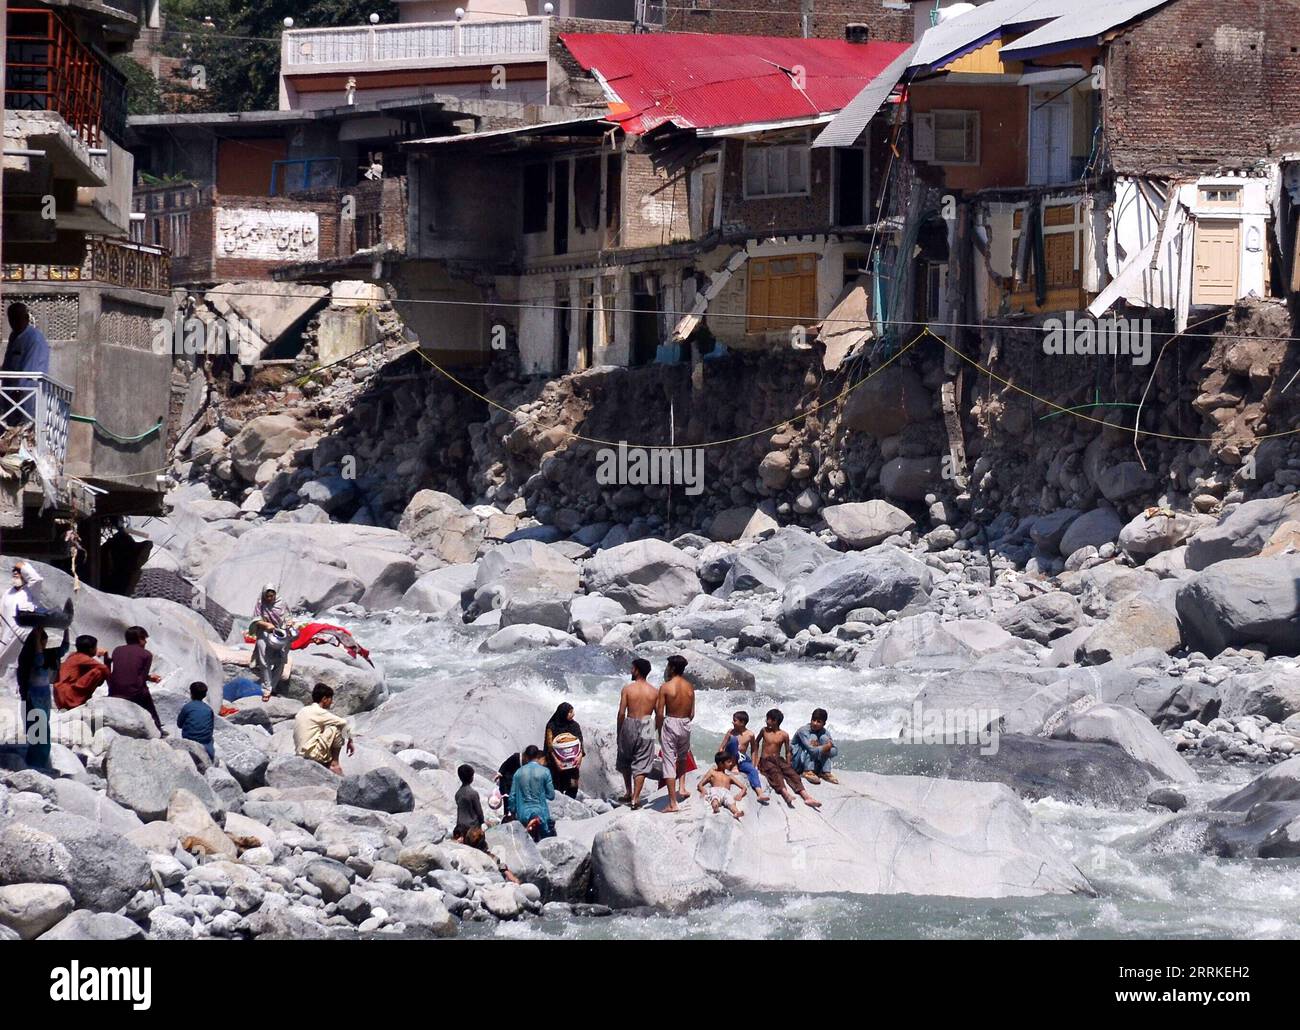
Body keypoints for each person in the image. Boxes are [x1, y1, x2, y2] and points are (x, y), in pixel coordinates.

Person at [17, 625, 68, 770]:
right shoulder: (29, 658)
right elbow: (38, 660)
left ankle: (39, 762)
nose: (44, 645)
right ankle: (35, 764)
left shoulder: (47, 656)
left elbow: (64, 648)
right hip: (34, 697)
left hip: (44, 698)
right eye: (42, 642)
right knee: (38, 731)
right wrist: (37, 636)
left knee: (43, 730)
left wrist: (66, 629)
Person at [755, 709, 821, 809]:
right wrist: (756, 762)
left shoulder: (784, 735)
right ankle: (786, 794)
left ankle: (806, 796)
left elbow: (787, 752)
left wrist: (788, 765)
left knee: (792, 774)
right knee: (775, 773)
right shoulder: (764, 731)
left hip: (778, 759)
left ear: (775, 721)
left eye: (768, 719)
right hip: (766, 760)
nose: (766, 720)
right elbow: (756, 743)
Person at [616, 657, 658, 808]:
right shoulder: (654, 691)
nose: (630, 671)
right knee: (642, 761)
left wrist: (619, 730)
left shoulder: (627, 689)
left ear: (637, 670)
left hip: (630, 722)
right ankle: (635, 798)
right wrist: (654, 729)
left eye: (632, 668)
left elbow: (621, 713)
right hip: (647, 722)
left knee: (625, 759)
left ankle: (628, 792)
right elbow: (659, 714)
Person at [655, 654, 695, 812]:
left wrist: (659, 729)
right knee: (683, 756)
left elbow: (659, 713)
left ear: (671, 668)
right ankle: (682, 788)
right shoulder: (689, 686)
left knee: (669, 761)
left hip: (671, 722)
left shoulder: (665, 687)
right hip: (685, 722)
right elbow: (692, 713)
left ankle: (672, 803)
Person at [107, 626, 163, 732]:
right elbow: (141, 679)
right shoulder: (146, 654)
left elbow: (125, 670)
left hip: (114, 690)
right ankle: (157, 726)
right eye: (144, 639)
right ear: (139, 639)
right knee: (146, 696)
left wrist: (149, 677)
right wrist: (147, 679)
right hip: (132, 693)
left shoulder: (117, 650)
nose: (146, 642)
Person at [3, 302, 51, 425]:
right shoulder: (14, 336)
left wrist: (18, 390)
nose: (13, 322)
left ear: (26, 318)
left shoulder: (34, 338)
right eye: (11, 319)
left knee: (26, 428)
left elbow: (30, 368)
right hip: (10, 395)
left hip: (27, 393)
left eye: (17, 318)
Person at [293, 682, 354, 773]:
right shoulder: (319, 711)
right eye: (330, 699)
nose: (331, 702)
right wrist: (350, 740)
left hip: (299, 753)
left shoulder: (303, 710)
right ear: (324, 699)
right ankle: (334, 764)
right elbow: (344, 723)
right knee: (335, 728)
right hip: (312, 755)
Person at [251, 584, 292, 702]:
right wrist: (265, 624)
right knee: (264, 662)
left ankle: (272, 685)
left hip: (279, 633)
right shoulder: (260, 603)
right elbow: (255, 619)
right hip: (264, 633)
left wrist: (289, 624)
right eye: (267, 596)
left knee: (280, 661)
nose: (269, 599)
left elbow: (288, 617)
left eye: (271, 596)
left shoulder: (281, 603)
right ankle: (266, 689)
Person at [720, 710, 769, 805]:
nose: (732, 722)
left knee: (752, 770)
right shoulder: (731, 732)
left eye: (735, 720)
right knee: (734, 741)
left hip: (741, 758)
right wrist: (720, 760)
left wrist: (754, 765)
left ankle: (760, 793)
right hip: (729, 758)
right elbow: (722, 747)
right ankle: (734, 766)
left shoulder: (750, 734)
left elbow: (754, 750)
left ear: (742, 723)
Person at [509, 745, 555, 842]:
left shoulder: (518, 772)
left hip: (523, 814)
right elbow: (551, 795)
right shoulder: (545, 771)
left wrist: (512, 811)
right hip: (541, 813)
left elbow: (512, 797)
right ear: (537, 755)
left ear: (526, 756)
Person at [53, 634, 110, 711]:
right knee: (98, 672)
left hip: (60, 696)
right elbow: (105, 670)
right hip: (68, 698)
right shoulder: (82, 658)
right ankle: (79, 701)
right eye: (95, 647)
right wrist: (106, 656)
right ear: (90, 649)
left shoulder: (74, 655)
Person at [544, 702, 584, 799]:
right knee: (557, 787)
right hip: (556, 763)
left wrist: (580, 756)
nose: (573, 714)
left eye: (572, 711)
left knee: (573, 786)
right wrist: (557, 761)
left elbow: (580, 742)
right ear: (563, 713)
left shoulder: (574, 725)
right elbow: (549, 746)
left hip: (572, 761)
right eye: (570, 712)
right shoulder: (551, 726)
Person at [791, 708, 839, 785]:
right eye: (813, 720)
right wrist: (824, 747)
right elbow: (811, 750)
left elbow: (835, 751)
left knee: (824, 739)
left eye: (819, 722)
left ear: (824, 724)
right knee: (813, 737)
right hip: (799, 762)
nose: (815, 723)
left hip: (815, 764)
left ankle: (825, 772)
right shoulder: (803, 731)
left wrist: (824, 747)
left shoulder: (825, 732)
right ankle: (808, 771)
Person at [697, 751, 746, 820]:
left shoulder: (729, 776)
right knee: (715, 797)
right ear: (721, 763)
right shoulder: (712, 772)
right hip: (716, 789)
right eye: (728, 762)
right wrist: (703, 790)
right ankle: (715, 807)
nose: (731, 764)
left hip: (726, 792)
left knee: (731, 802)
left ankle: (736, 812)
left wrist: (740, 794)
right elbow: (700, 784)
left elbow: (743, 787)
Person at [177, 682, 216, 761]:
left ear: (191, 693)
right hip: (205, 741)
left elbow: (179, 724)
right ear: (205, 695)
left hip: (189, 739)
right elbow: (211, 728)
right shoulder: (208, 709)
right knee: (211, 741)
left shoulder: (187, 707)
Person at [495, 749, 523, 822]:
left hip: (515, 782)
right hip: (506, 781)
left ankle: (513, 816)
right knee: (507, 800)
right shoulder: (516, 757)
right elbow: (505, 764)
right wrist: (499, 774)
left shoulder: (527, 762)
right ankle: (507, 817)